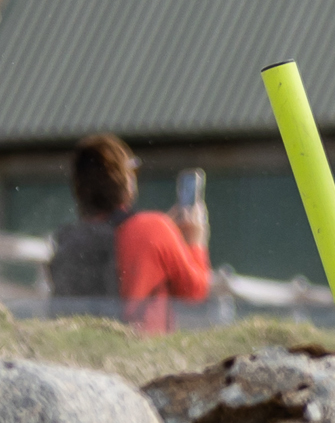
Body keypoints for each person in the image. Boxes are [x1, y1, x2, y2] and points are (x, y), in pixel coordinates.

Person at [45, 132, 211, 334]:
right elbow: (194, 292)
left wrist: (166, 230)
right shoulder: (154, 228)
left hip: (82, 348)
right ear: (127, 182)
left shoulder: (69, 238)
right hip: (140, 352)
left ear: (79, 189)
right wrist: (196, 241)